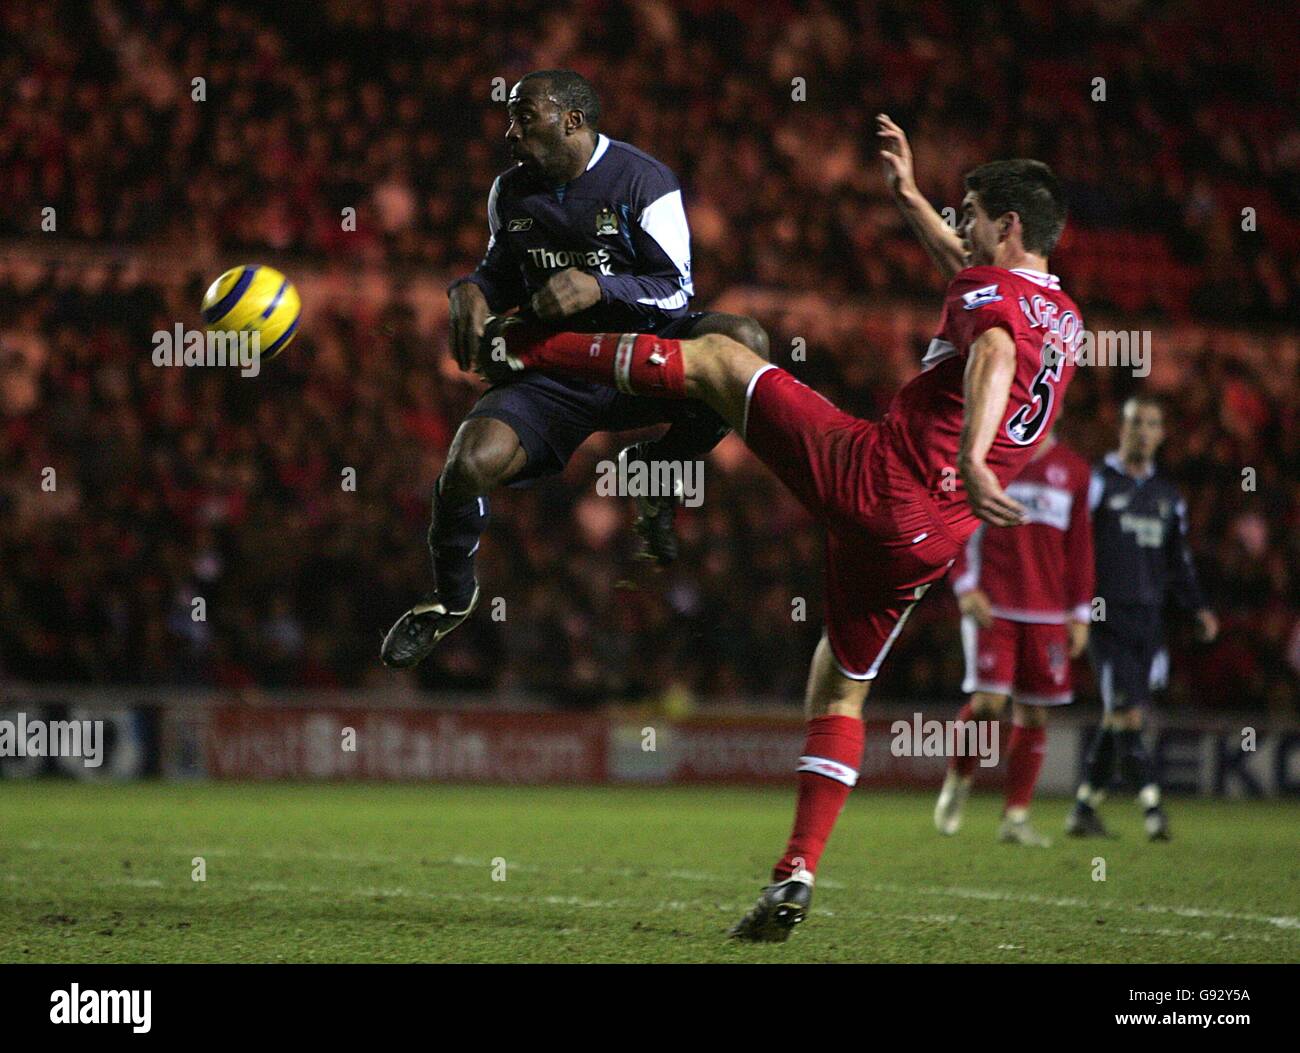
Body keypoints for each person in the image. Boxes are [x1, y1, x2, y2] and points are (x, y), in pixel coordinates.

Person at [471, 116, 1080, 940]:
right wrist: (906, 201)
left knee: (723, 358)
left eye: (966, 209)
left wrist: (972, 451)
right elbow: (983, 291)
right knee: (840, 685)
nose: (957, 219)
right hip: (933, 538)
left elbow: (993, 347)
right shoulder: (1064, 315)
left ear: (1007, 225)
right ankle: (794, 873)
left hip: (886, 480)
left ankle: (530, 350)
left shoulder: (996, 307)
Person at [380, 70, 768, 669]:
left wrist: (599, 287)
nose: (510, 131)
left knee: (743, 340)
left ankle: (659, 468)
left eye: (523, 115)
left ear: (571, 119)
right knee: (466, 467)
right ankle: (449, 602)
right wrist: (468, 291)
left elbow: (675, 293)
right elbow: (499, 272)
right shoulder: (509, 192)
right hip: (556, 373)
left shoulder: (645, 180)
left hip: (640, 357)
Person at [1066, 396, 1218, 841]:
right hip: (1104, 618)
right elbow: (1075, 548)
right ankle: (1153, 809)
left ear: (1162, 435)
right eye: (1136, 423)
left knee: (1120, 716)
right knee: (1129, 714)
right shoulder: (1098, 482)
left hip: (1149, 623)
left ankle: (1083, 809)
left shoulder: (1168, 497)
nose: (1143, 432)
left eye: (1152, 425)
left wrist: (1199, 607)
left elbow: (1180, 562)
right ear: (1122, 428)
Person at [934, 428, 1094, 847]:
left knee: (1035, 713)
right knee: (989, 705)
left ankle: (1015, 817)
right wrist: (965, 585)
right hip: (995, 603)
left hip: (1047, 613)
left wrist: (1080, 613)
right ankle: (959, 779)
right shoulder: (991, 456)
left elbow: (1080, 548)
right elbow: (959, 521)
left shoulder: (1074, 471)